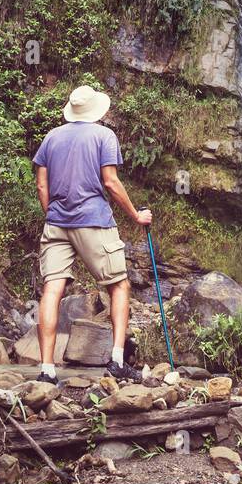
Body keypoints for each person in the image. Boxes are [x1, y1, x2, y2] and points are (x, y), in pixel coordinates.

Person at [31, 84, 151, 383]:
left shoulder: (51, 137)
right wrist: (136, 215)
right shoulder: (103, 136)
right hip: (94, 220)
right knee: (119, 285)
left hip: (56, 222)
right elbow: (110, 182)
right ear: (96, 109)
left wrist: (53, 214)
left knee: (51, 290)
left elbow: (41, 186)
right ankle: (117, 361)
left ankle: (46, 370)